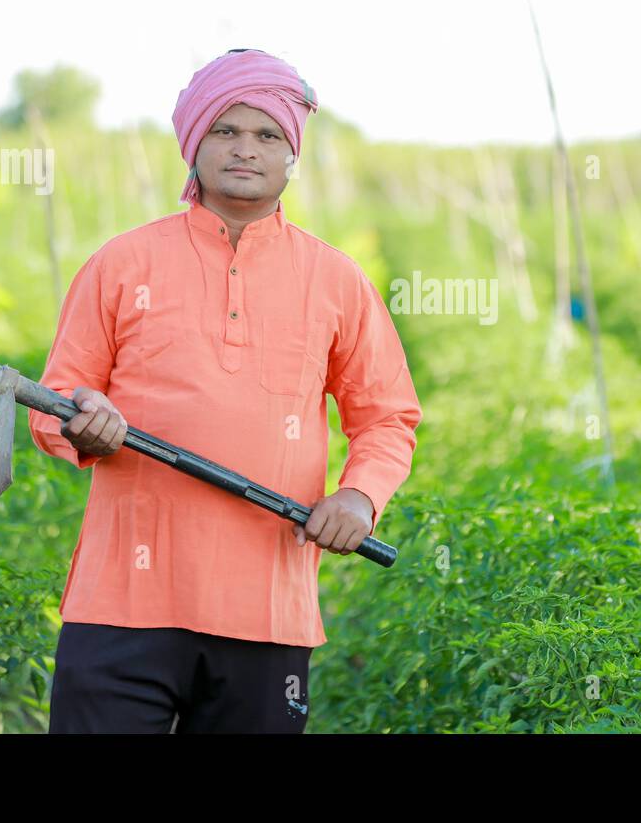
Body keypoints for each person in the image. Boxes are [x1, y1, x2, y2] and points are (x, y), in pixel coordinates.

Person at [28, 48, 423, 733]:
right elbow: (56, 398)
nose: (246, 149)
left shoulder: (335, 280)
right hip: (121, 606)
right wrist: (79, 421)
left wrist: (360, 496)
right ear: (194, 143)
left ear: (291, 155)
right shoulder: (122, 263)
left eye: (267, 135)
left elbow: (386, 417)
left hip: (267, 612)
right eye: (225, 131)